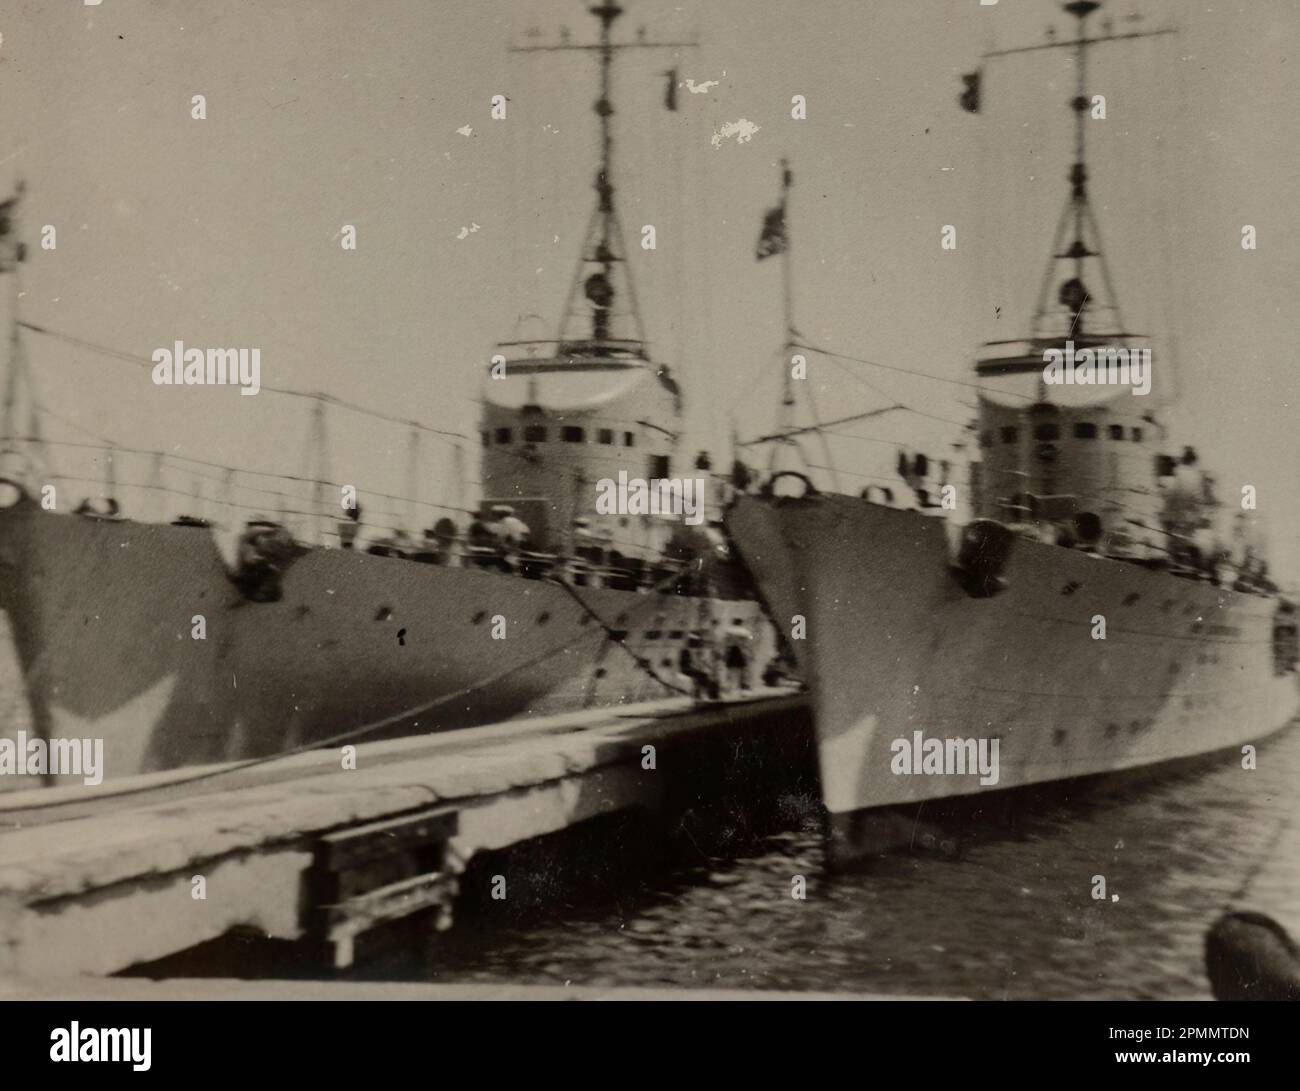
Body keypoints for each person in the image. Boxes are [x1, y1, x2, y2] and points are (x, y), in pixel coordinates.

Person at [722, 617, 754, 692]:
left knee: (729, 670)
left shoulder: (728, 631)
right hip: (740, 651)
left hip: (731, 651)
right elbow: (750, 638)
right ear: (740, 623)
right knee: (742, 669)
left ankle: (728, 686)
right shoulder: (744, 631)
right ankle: (742, 686)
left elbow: (725, 642)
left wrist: (725, 652)